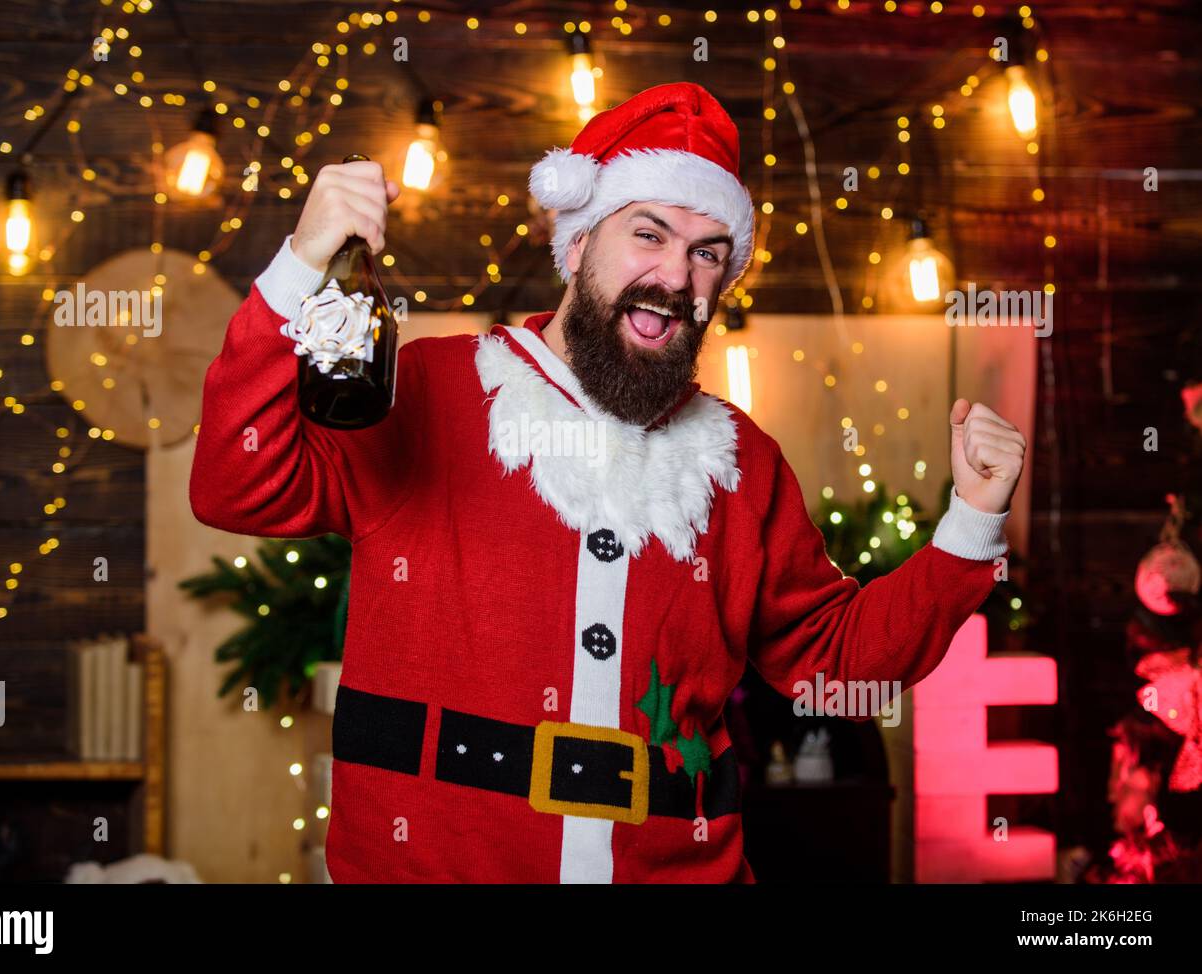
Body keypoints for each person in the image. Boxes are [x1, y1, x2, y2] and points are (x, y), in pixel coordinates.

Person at [189, 82, 1027, 883]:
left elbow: (836, 665)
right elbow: (237, 483)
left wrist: (971, 524)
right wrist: (300, 267)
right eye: (650, 235)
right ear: (580, 241)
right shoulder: (434, 391)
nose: (677, 275)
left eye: (709, 254)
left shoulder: (743, 461)